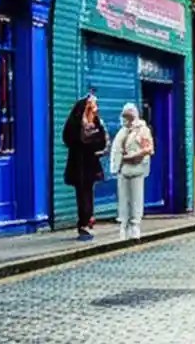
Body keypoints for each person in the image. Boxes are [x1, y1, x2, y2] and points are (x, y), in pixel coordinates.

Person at [62, 93, 108, 241]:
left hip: (91, 163)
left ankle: (87, 221)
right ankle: (84, 223)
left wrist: (94, 143)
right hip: (78, 164)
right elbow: (68, 138)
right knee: (82, 193)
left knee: (88, 192)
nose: (96, 109)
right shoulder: (75, 122)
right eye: (93, 106)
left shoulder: (96, 122)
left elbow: (102, 141)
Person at [111, 103, 154, 241]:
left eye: (128, 115)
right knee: (123, 199)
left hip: (136, 168)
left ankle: (135, 225)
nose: (125, 119)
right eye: (124, 115)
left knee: (136, 198)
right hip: (123, 170)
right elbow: (116, 150)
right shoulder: (122, 132)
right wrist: (115, 166)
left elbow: (149, 149)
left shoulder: (143, 130)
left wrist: (135, 155)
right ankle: (123, 225)